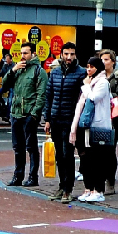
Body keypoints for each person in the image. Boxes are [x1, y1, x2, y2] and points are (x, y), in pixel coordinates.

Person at [42, 42, 86, 202]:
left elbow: (83, 98)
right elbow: (49, 96)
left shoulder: (81, 73)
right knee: (59, 155)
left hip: (71, 120)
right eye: (66, 54)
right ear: (61, 54)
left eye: (72, 54)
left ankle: (68, 188)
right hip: (55, 119)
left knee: (68, 154)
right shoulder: (54, 73)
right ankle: (62, 186)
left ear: (75, 55)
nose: (69, 57)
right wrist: (47, 118)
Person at [69, 56, 114, 203]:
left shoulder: (102, 83)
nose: (89, 69)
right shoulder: (90, 83)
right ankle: (89, 189)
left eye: (92, 67)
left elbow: (93, 98)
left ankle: (98, 190)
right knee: (87, 160)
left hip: (98, 127)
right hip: (85, 127)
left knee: (97, 160)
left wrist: (86, 86)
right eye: (87, 66)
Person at [9, 42, 48, 186]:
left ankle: (33, 177)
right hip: (16, 113)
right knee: (17, 147)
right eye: (21, 53)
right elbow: (6, 83)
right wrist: (13, 70)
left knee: (31, 147)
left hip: (28, 114)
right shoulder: (18, 69)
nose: (23, 56)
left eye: (26, 53)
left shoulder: (39, 71)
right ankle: (18, 176)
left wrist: (34, 114)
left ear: (33, 54)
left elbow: (41, 94)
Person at [100, 49, 118, 192]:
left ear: (113, 61)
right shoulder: (97, 75)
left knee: (110, 150)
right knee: (98, 150)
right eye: (102, 59)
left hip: (113, 117)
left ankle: (110, 181)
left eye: (106, 59)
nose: (103, 62)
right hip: (99, 117)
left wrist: (104, 94)